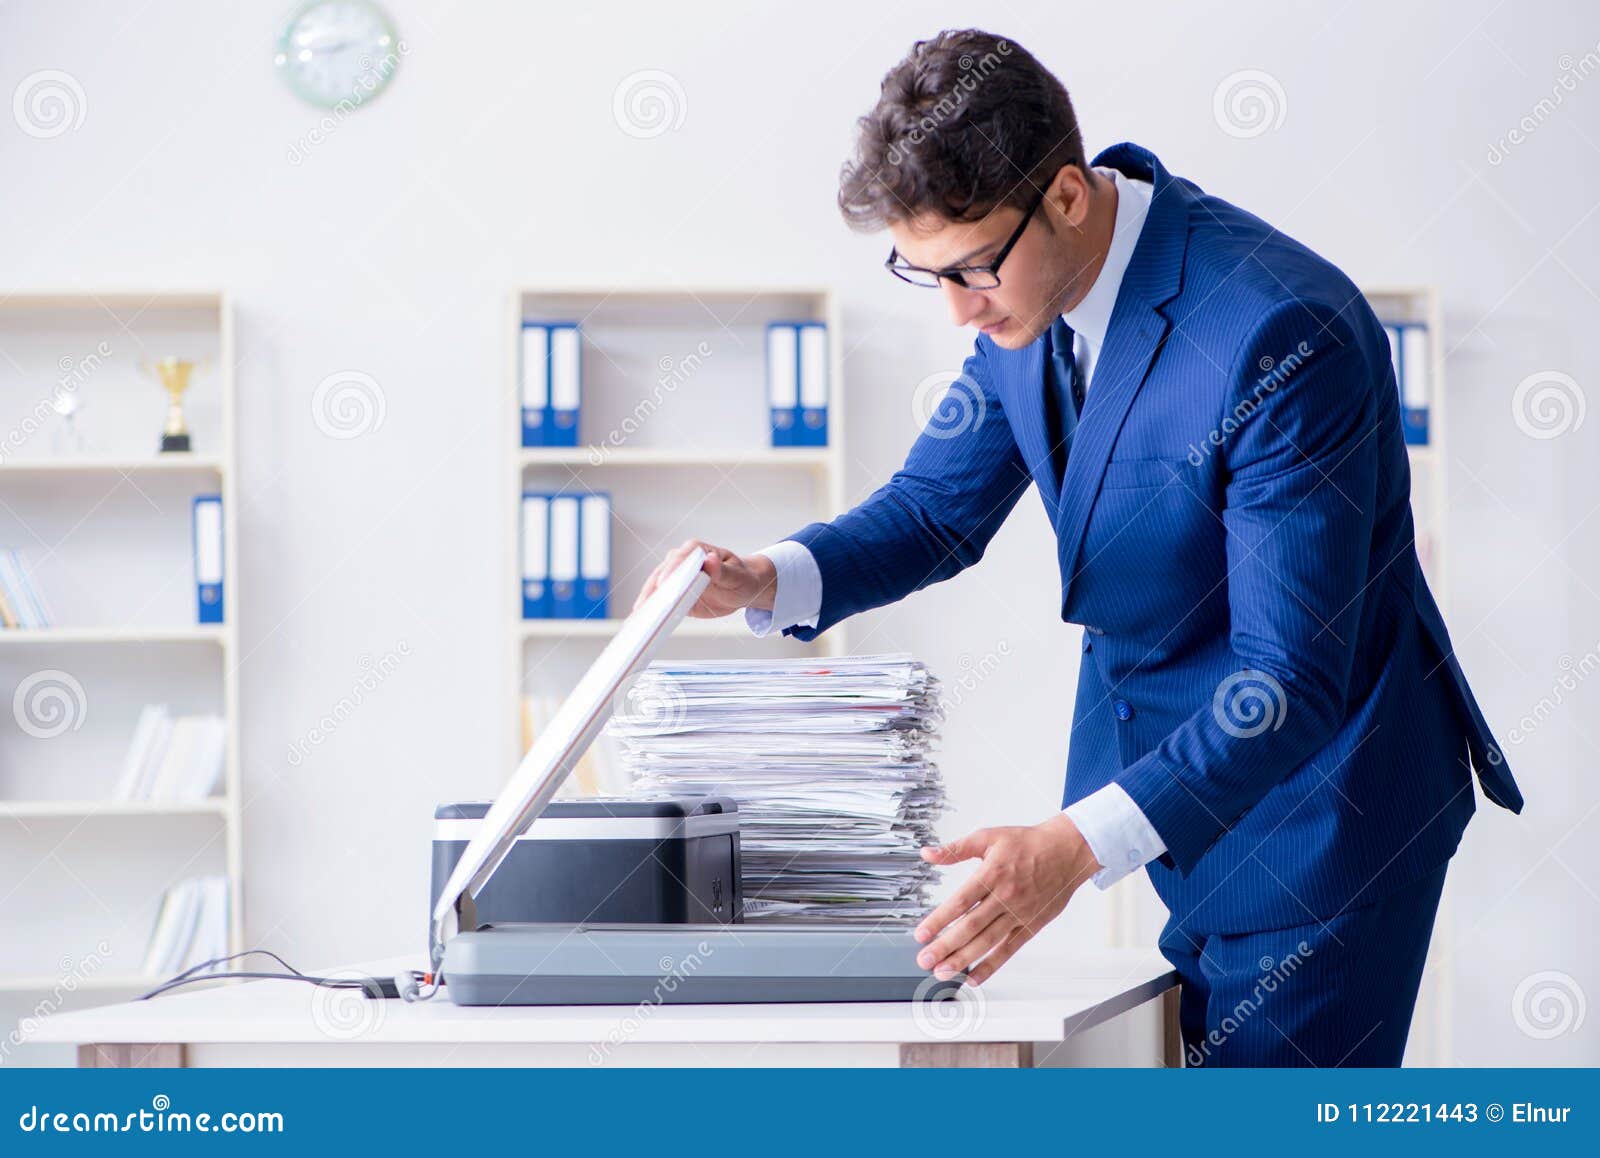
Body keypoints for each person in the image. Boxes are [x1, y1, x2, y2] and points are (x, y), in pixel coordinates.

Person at [634, 28, 1522, 1067]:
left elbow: (1288, 679)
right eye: (927, 277)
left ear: (1064, 196)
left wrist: (1069, 848)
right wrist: (767, 574)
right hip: (1187, 801)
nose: (959, 311)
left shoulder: (1280, 333)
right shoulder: (1028, 300)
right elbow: (932, 509)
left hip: (1320, 824)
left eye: (970, 271)